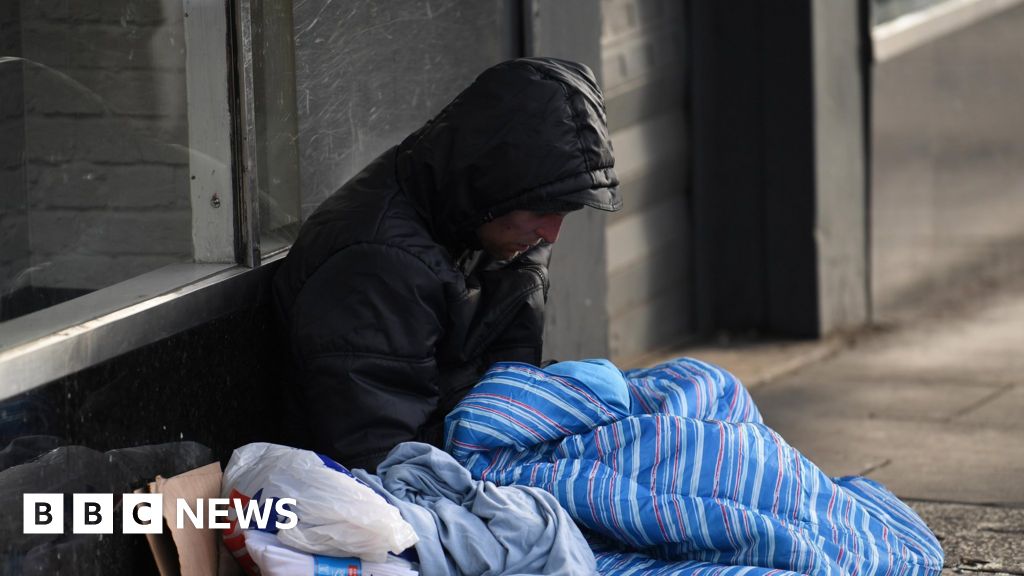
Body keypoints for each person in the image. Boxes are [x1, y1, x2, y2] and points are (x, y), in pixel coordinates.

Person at [271, 57, 621, 472]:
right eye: (544, 209)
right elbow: (383, 461)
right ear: (494, 185)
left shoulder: (489, 227)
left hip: (460, 441)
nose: (552, 233)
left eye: (566, 211)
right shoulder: (379, 266)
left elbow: (507, 375)